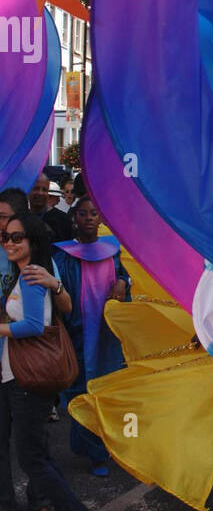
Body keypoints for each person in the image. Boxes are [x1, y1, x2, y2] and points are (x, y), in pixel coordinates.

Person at [0, 212, 90, 511]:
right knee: (38, 454)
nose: (9, 242)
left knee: (32, 457)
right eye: (6, 237)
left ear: (33, 242)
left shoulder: (31, 277)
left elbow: (35, 326)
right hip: (18, 378)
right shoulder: (22, 274)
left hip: (28, 380)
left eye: (17, 237)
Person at [53, 197, 130, 477]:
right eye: (83, 213)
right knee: (80, 388)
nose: (88, 218)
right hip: (78, 332)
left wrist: (123, 281)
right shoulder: (63, 255)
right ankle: (89, 448)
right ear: (74, 218)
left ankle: (97, 450)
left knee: (103, 389)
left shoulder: (113, 252)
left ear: (100, 219)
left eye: (93, 213)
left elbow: (125, 277)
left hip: (106, 333)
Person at [29, 172, 73, 243]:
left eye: (44, 190)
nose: (40, 193)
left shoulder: (64, 220)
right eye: (36, 189)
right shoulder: (20, 219)